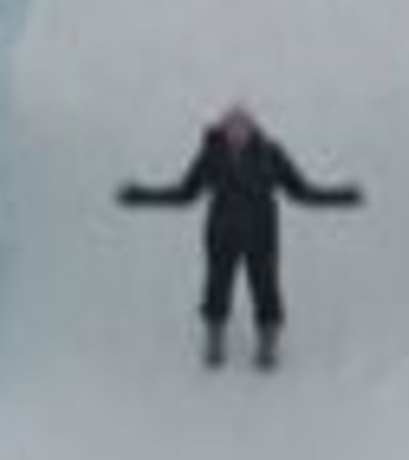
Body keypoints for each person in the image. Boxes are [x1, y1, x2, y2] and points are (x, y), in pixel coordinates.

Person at [118, 105, 364, 370]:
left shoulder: (271, 153)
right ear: (223, 130)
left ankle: (268, 339)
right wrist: (140, 195)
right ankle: (215, 336)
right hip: (221, 234)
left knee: (266, 285)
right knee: (217, 285)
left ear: (253, 128)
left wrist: (343, 196)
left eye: (242, 126)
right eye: (231, 127)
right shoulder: (211, 155)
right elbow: (184, 194)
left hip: (262, 234)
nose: (237, 132)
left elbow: (302, 192)